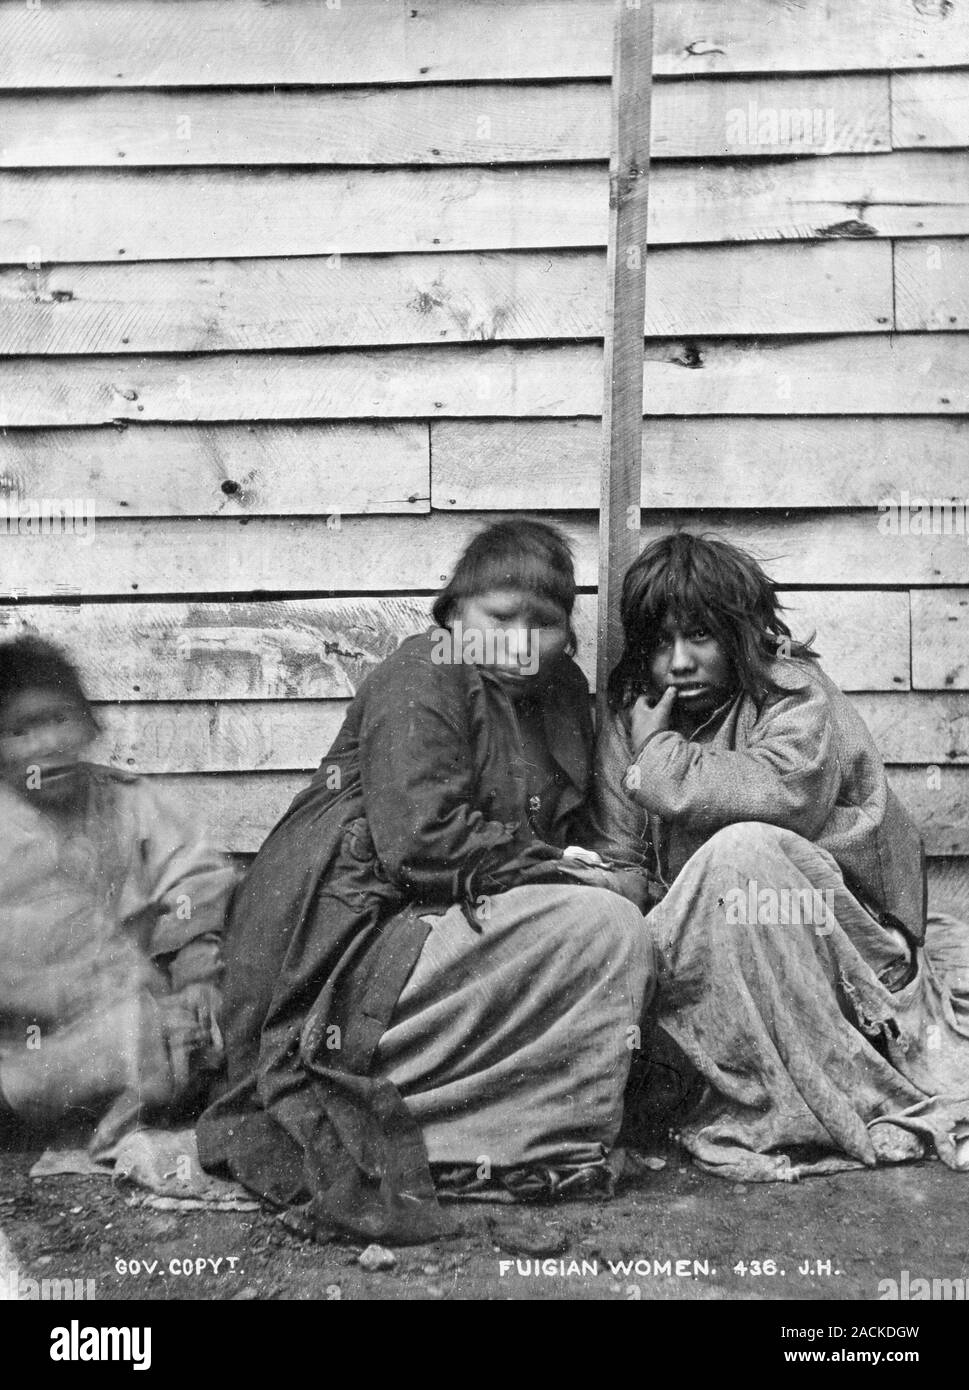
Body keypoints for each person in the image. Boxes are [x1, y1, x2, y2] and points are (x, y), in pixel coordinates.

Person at [198, 520, 653, 1242]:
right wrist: (567, 873)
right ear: (454, 617)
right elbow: (418, 842)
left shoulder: (562, 693)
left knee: (612, 933)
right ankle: (441, 1129)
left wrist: (603, 861)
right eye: (500, 620)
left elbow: (581, 825)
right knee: (601, 928)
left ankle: (522, 1133)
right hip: (354, 925)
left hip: (456, 911)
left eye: (546, 625)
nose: (520, 643)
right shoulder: (424, 671)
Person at [588, 531, 969, 1182]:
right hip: (713, 960)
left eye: (699, 637)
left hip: (836, 943)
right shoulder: (638, 722)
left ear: (741, 635)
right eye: (658, 644)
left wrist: (659, 759)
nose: (678, 662)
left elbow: (778, 797)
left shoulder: (794, 694)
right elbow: (620, 851)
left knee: (741, 849)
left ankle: (823, 1094)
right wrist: (615, 904)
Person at [0, 637, 235, 1154]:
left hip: (134, 1014)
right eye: (21, 730)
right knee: (137, 1039)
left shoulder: (126, 801)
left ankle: (145, 1082)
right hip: (30, 1041)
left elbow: (194, 882)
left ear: (89, 723)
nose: (46, 744)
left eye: (60, 719)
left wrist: (196, 973)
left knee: (214, 1022)